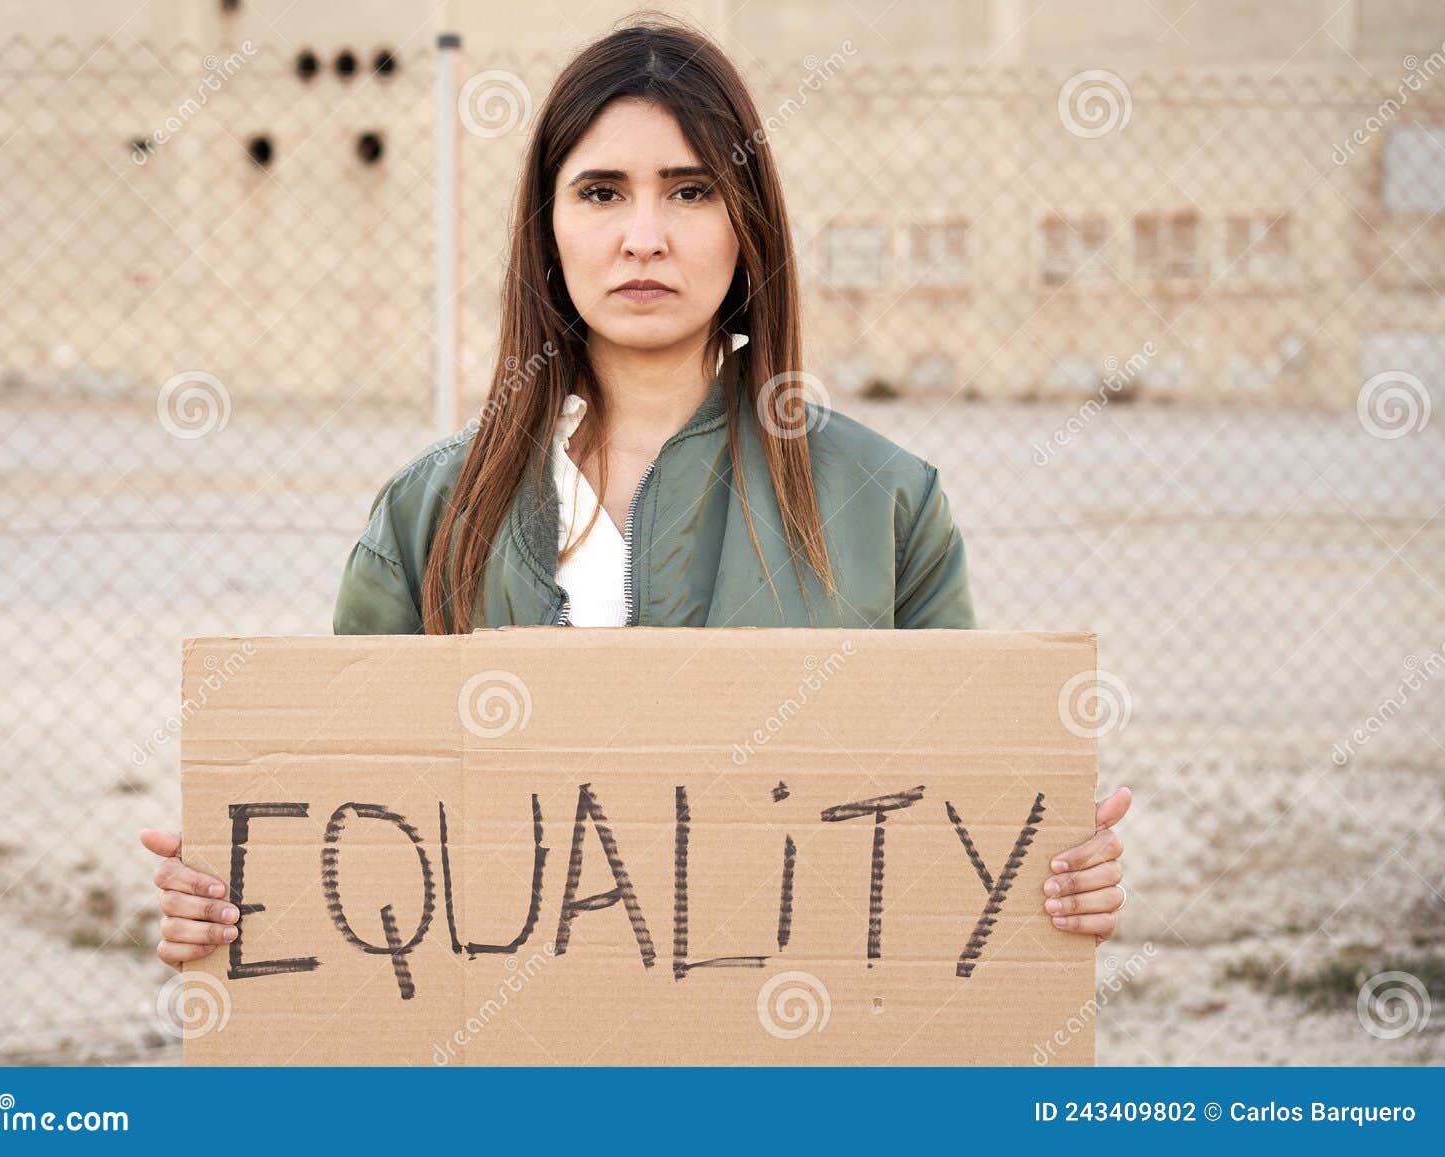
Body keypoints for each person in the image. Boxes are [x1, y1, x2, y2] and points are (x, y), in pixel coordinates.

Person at [140, 16, 1130, 971]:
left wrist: (1052, 880)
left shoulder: (885, 504)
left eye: (692, 191)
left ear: (748, 224)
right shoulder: (426, 512)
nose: (645, 236)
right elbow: (341, 827)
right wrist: (231, 899)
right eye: (603, 192)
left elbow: (960, 827)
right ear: (549, 224)